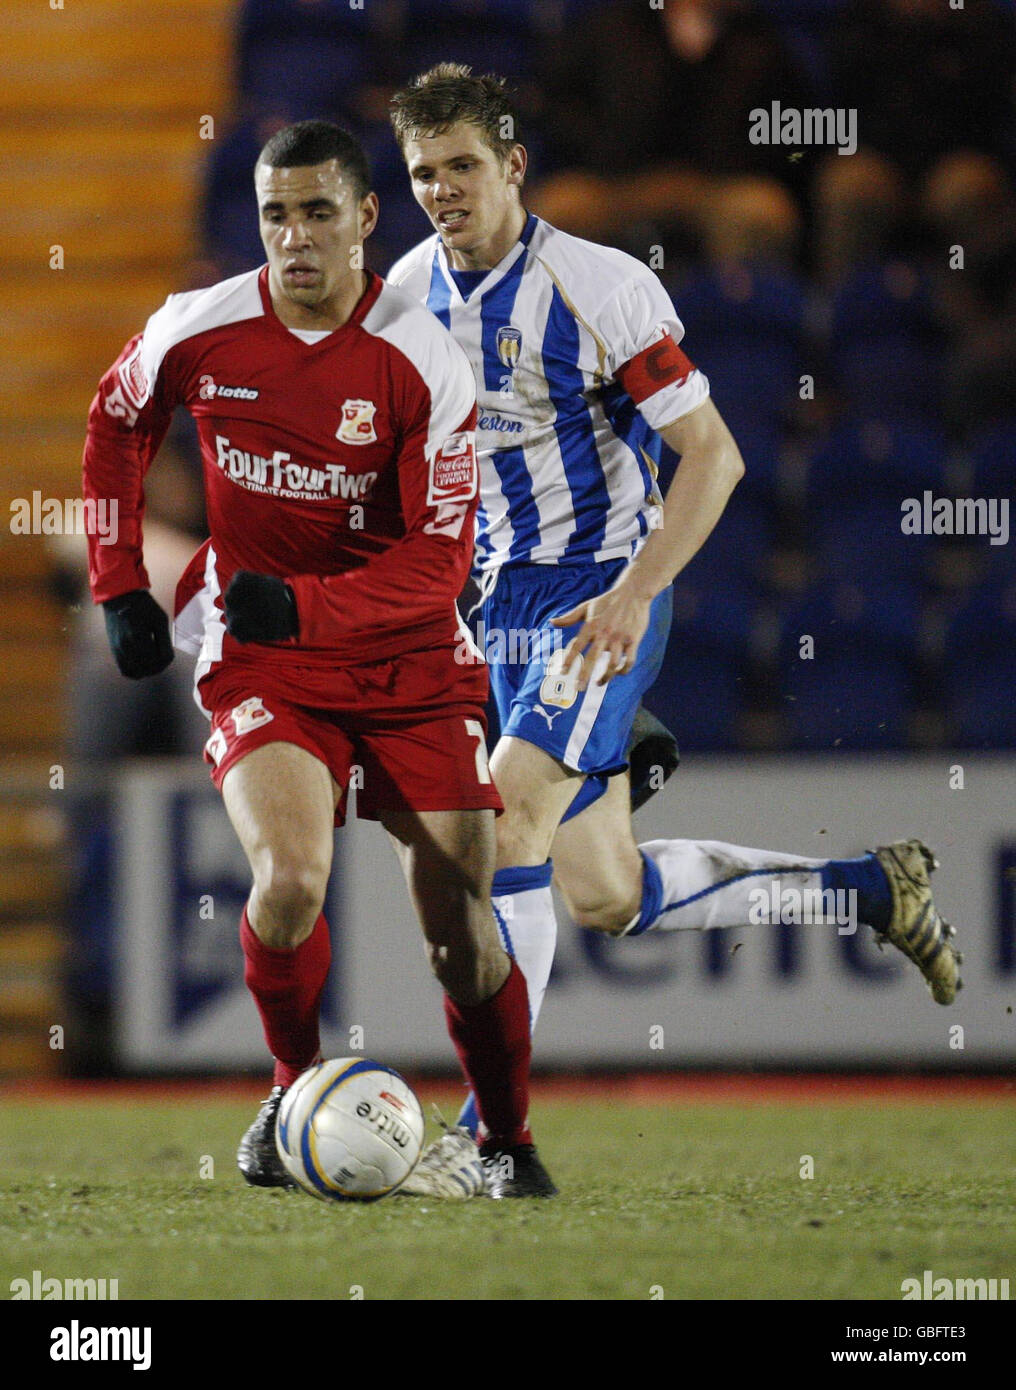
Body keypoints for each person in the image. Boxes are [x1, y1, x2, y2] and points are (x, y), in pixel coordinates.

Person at [385, 66, 963, 1170]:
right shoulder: (408, 296)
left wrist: (634, 591)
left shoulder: (598, 287)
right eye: (422, 174)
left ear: (511, 164)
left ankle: (485, 1140)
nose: (444, 190)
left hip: (599, 596)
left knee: (503, 831)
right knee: (606, 891)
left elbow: (715, 454)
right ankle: (867, 888)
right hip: (495, 610)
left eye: (463, 165)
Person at [81, 119, 551, 1198]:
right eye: (274, 215)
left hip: (409, 660)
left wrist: (301, 603)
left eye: (317, 213)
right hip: (263, 659)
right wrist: (118, 584)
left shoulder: (420, 356)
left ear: (365, 219)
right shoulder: (196, 327)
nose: (293, 238)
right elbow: (116, 426)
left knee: (460, 929)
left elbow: (438, 564)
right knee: (288, 881)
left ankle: (507, 1144)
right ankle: (292, 1091)